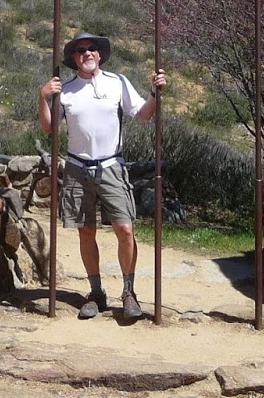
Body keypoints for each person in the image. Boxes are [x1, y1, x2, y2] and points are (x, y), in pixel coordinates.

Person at [39, 32, 165, 319]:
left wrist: (155, 93)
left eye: (92, 49)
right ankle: (96, 292)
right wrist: (42, 98)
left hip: (111, 166)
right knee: (86, 230)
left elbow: (143, 114)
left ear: (99, 54)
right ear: (74, 58)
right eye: (81, 50)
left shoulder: (117, 83)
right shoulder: (66, 90)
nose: (87, 54)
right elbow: (49, 127)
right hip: (76, 167)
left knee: (125, 228)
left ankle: (129, 292)